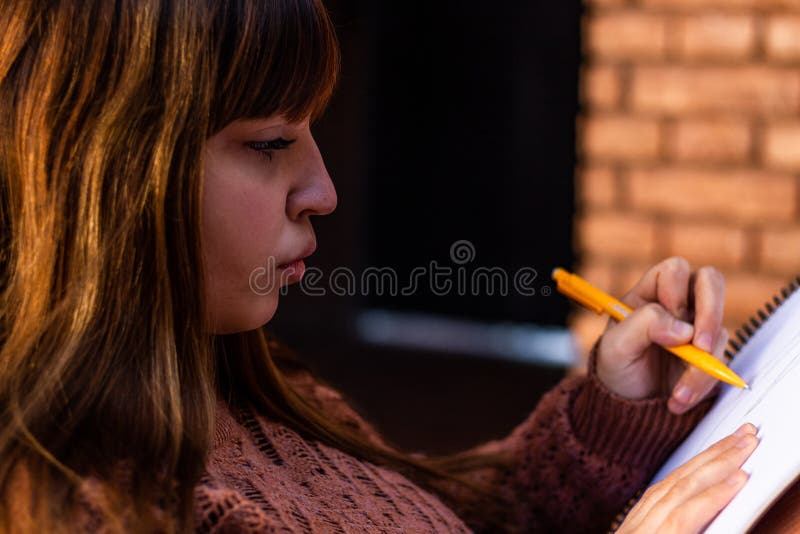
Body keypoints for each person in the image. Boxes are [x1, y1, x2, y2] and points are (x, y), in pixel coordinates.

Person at [0, 1, 759, 532]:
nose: (323, 192)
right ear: (107, 175)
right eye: (270, 143)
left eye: (311, 130)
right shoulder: (90, 508)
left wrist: (612, 412)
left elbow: (459, 518)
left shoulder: (276, 399)